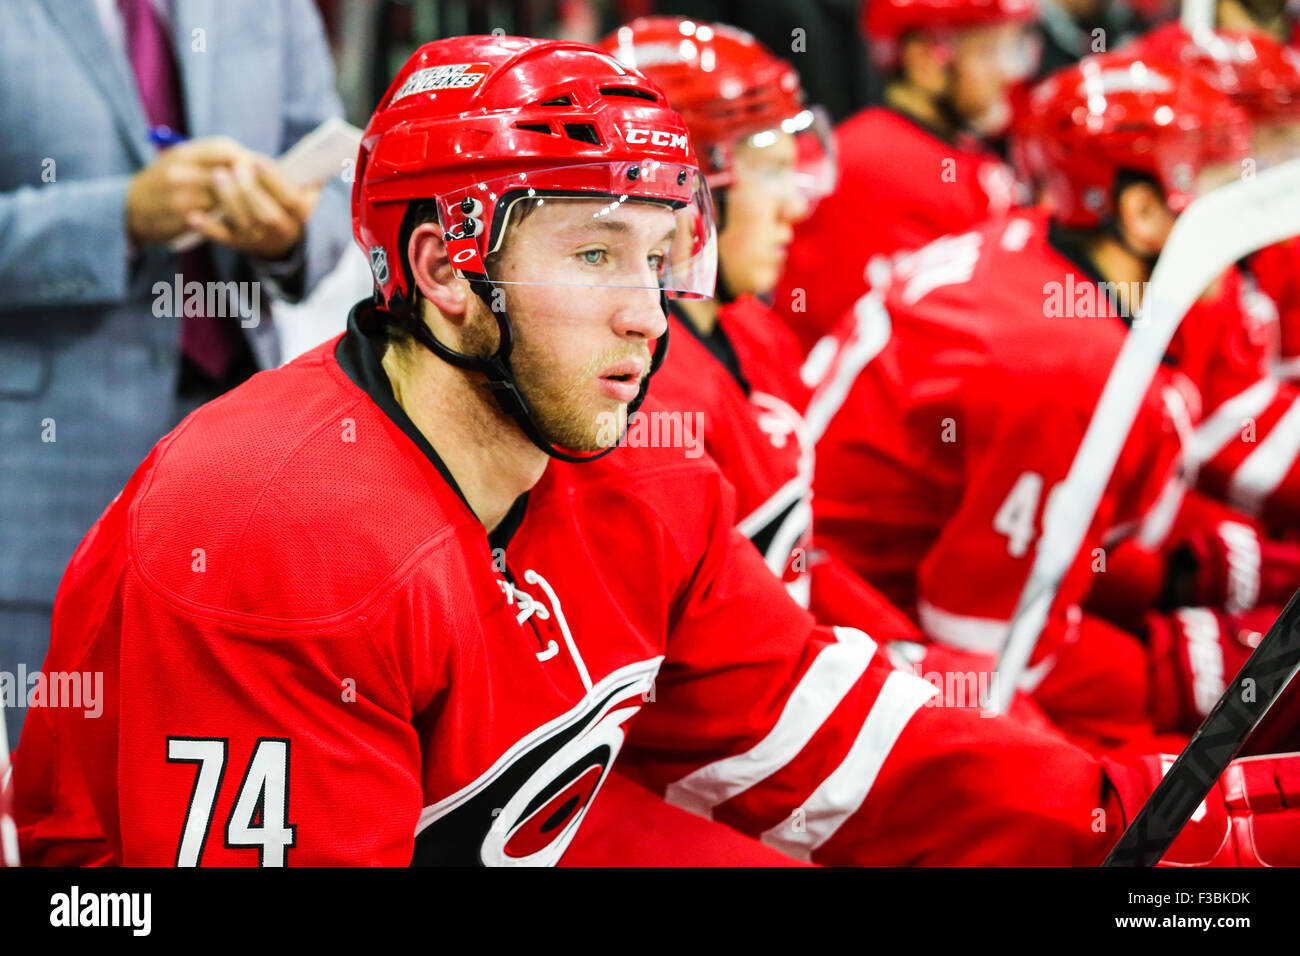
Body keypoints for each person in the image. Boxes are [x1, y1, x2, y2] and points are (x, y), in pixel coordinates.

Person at [13, 35, 1298, 867]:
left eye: (661, 248)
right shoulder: (277, 537)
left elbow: (858, 763)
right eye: (592, 255)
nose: (650, 309)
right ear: (446, 278)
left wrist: (1172, 816)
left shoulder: (640, 481)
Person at [0, 0, 352, 748]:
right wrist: (119, 215)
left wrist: (290, 229)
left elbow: (337, 176)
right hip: (39, 477)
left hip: (236, 468)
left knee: (202, 764)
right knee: (41, 780)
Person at [771, 0, 1038, 351]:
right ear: (926, 59)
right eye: (989, 51)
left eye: (1012, 48)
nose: (1009, 73)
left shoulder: (961, 148)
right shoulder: (871, 166)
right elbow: (894, 346)